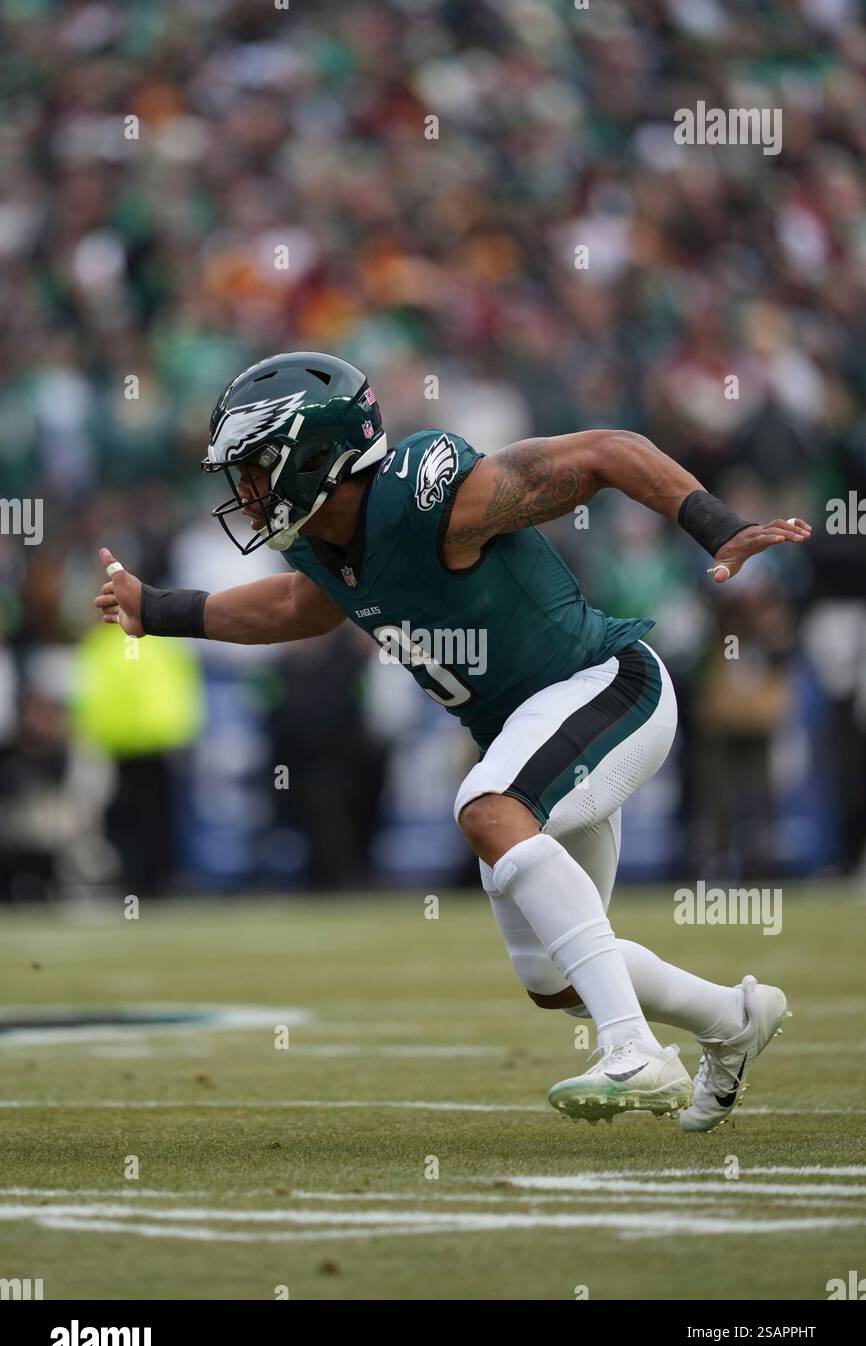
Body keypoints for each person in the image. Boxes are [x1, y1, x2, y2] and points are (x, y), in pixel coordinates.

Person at [94, 351, 809, 1129]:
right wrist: (157, 608)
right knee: (554, 976)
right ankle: (733, 1019)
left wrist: (719, 526)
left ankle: (634, 1050)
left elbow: (606, 452)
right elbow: (299, 609)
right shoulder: (321, 542)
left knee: (489, 805)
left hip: (607, 685)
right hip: (535, 726)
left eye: (258, 467)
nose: (246, 491)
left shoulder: (430, 499)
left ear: (314, 455)